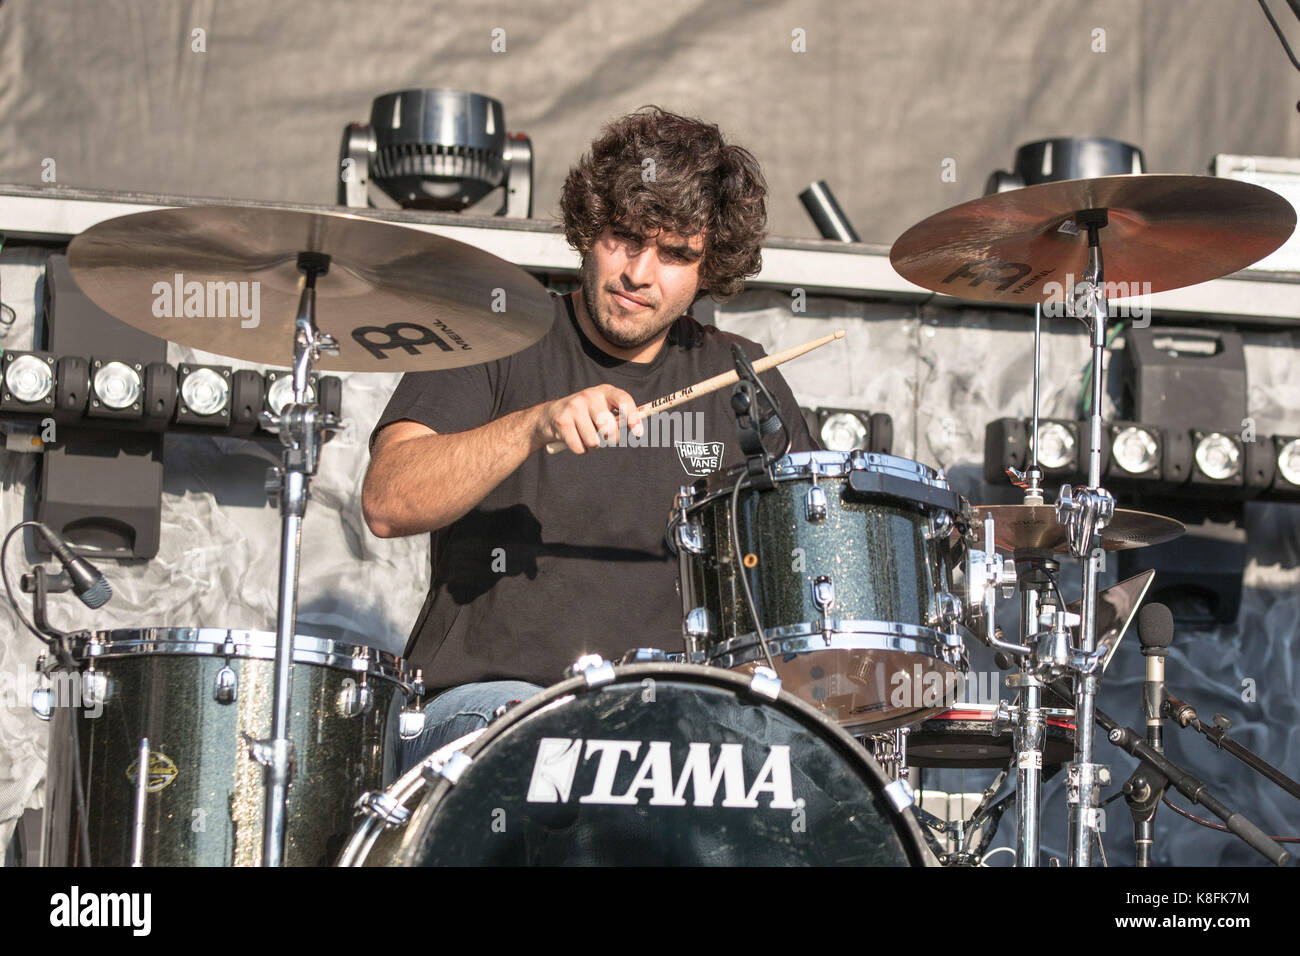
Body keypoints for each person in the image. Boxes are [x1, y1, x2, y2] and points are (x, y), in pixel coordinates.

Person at [363, 106, 816, 769]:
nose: (639, 273)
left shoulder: (741, 377)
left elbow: (809, 570)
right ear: (588, 227)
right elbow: (387, 500)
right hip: (488, 707)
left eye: (675, 255)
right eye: (625, 239)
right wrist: (533, 424)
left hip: (674, 721)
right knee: (540, 739)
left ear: (708, 267)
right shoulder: (495, 336)